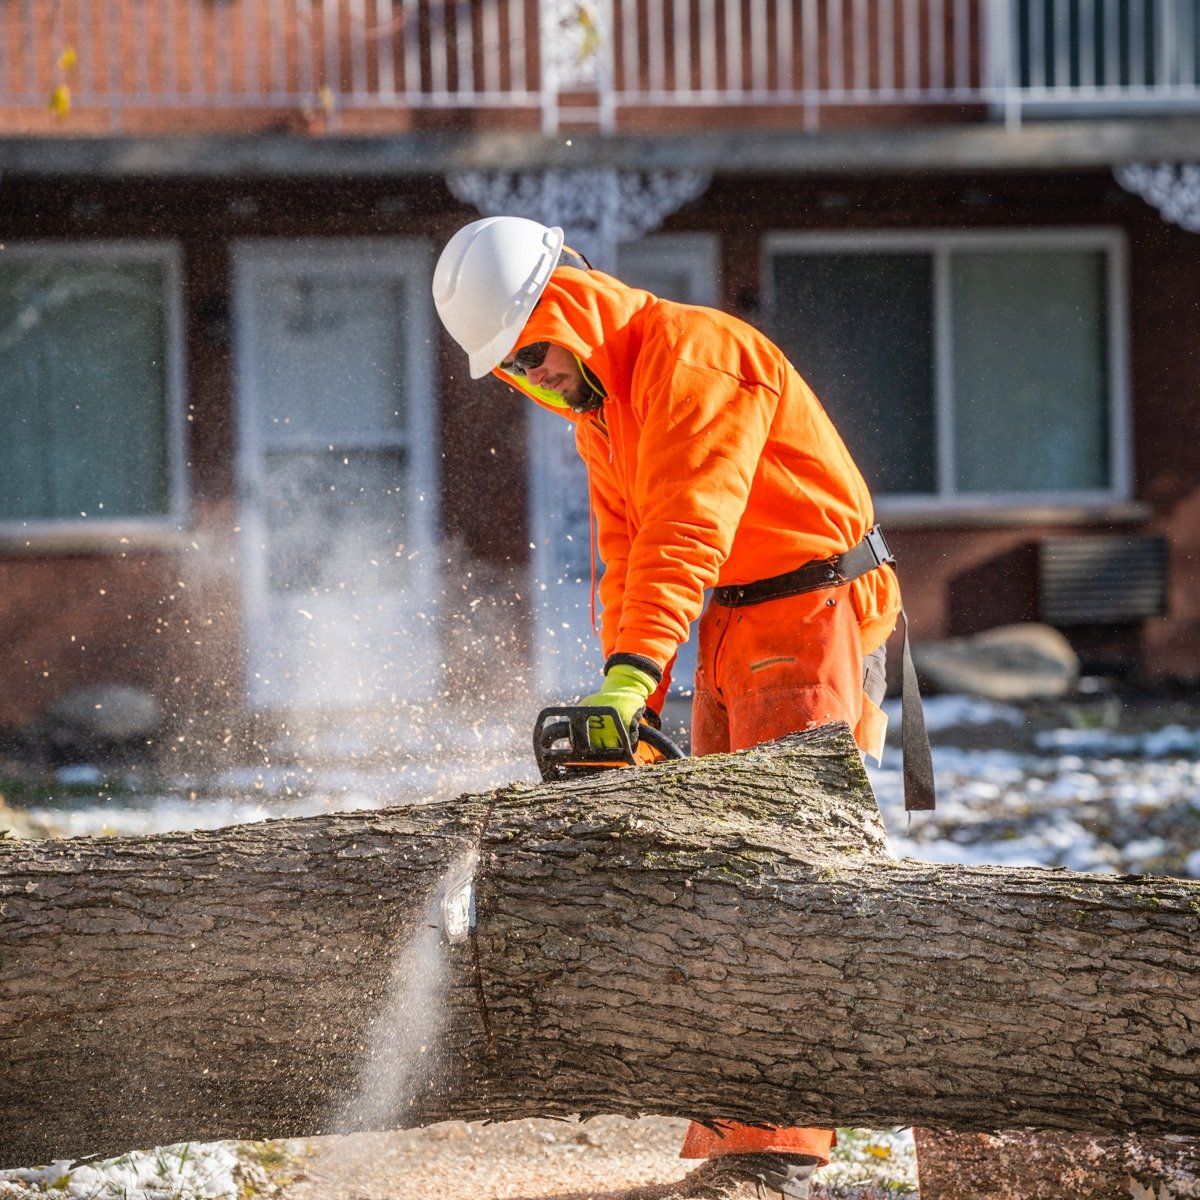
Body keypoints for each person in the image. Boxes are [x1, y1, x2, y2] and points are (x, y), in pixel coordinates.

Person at [432, 215, 928, 1200]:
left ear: (569, 303)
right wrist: (632, 689)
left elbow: (685, 533)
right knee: (713, 870)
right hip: (738, 628)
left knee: (783, 878)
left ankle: (781, 1153)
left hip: (815, 611)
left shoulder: (696, 359)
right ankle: (732, 1131)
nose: (538, 376)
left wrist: (630, 678)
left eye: (536, 351)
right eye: (519, 369)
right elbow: (625, 560)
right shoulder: (604, 415)